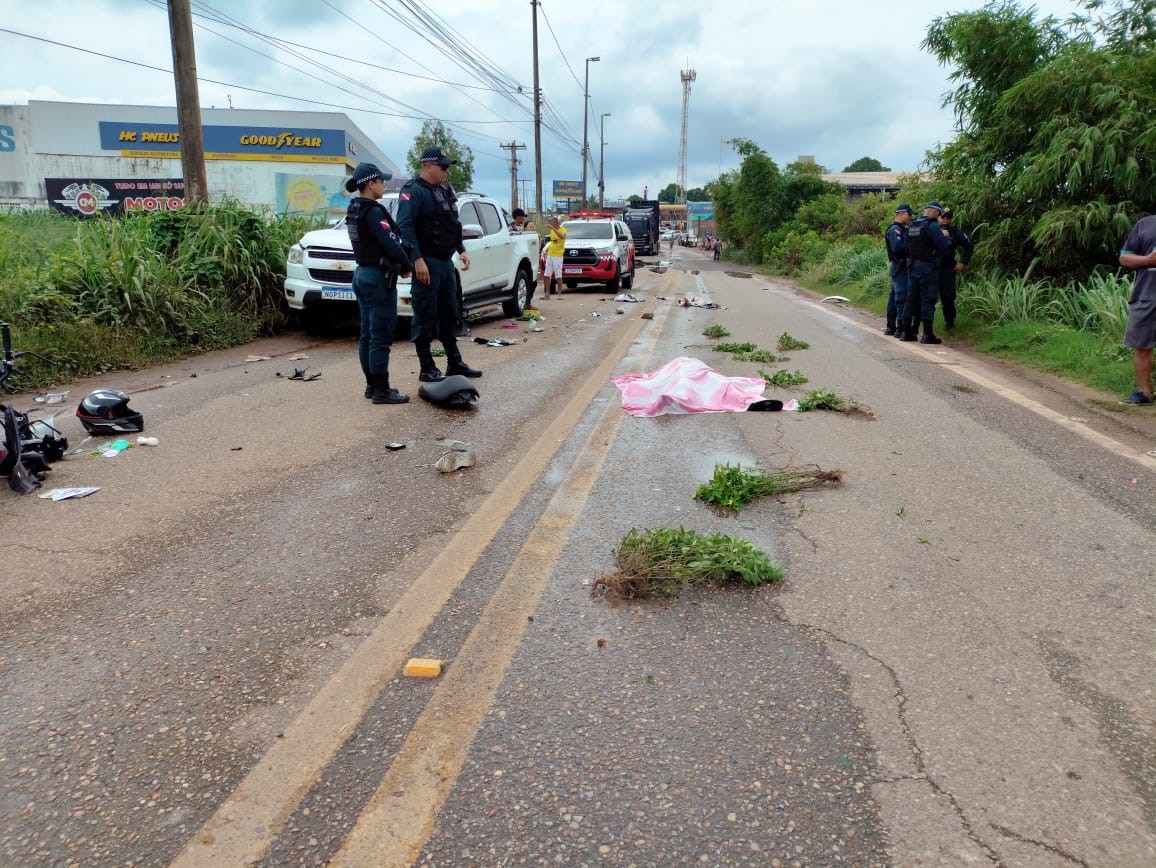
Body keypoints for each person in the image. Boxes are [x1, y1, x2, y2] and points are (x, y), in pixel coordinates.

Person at [395, 146, 482, 382]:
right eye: (442, 166)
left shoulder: (443, 191)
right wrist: (417, 259)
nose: (446, 171)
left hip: (445, 263)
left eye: (447, 167)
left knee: (449, 313)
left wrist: (461, 249)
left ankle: (454, 362)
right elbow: (405, 226)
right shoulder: (413, 191)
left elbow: (452, 223)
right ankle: (426, 367)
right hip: (427, 263)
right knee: (424, 315)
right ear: (427, 165)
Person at [345, 162, 413, 404]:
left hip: (361, 275)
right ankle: (381, 390)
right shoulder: (373, 211)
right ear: (371, 183)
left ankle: (371, 386)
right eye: (381, 182)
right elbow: (389, 242)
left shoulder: (354, 208)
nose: (384, 185)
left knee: (367, 335)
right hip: (377, 278)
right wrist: (407, 264)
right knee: (380, 336)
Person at [899, 201, 953, 343]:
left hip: (912, 266)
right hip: (928, 268)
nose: (940, 216)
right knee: (928, 299)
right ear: (934, 212)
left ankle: (906, 332)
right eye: (939, 213)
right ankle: (927, 334)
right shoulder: (933, 226)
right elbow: (944, 246)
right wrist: (946, 237)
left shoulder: (912, 225)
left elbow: (906, 247)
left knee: (910, 299)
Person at [1118, 213, 1156, 404]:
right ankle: (1144, 393)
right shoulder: (1145, 224)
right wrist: (1149, 259)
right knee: (1142, 347)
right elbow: (1125, 259)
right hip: (1145, 296)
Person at [936, 208, 974, 333]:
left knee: (948, 297)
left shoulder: (955, 232)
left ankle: (950, 323)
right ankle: (925, 323)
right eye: (943, 216)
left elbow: (969, 247)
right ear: (938, 217)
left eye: (948, 217)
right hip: (932, 268)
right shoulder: (932, 229)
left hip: (947, 269)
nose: (946, 219)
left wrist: (963, 262)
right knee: (928, 296)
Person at [884, 204, 914, 336]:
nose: (911, 217)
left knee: (894, 297)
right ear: (901, 214)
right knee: (901, 297)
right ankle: (899, 328)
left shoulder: (902, 229)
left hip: (899, 267)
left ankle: (891, 327)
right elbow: (897, 248)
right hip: (899, 266)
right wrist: (911, 247)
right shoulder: (895, 230)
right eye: (909, 214)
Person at [542, 215, 566, 298]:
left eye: (551, 222)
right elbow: (553, 242)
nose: (550, 224)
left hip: (558, 255)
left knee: (558, 276)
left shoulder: (563, 230)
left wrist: (553, 228)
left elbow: (562, 236)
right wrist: (546, 251)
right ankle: (547, 294)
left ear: (556, 223)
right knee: (546, 275)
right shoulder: (552, 231)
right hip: (550, 254)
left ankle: (559, 293)